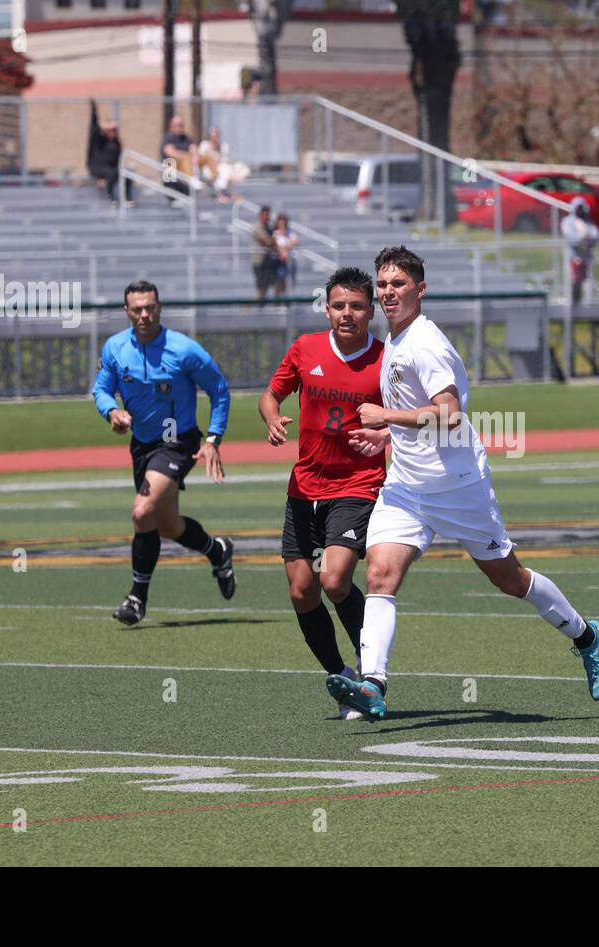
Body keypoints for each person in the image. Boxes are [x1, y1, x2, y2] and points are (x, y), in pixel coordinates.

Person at [325, 245, 599, 721]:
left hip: (458, 486)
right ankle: (373, 683)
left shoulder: (426, 343)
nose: (389, 291)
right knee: (379, 574)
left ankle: (586, 636)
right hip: (407, 487)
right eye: (383, 284)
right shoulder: (395, 340)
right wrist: (386, 437)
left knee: (509, 579)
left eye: (399, 284)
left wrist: (385, 415)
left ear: (420, 289)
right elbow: (418, 416)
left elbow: (449, 414)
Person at [261, 266, 388, 719]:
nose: (347, 314)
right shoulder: (305, 348)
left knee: (334, 580)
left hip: (357, 486)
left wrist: (386, 436)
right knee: (302, 592)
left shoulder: (386, 358)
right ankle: (344, 680)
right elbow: (270, 395)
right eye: (338, 306)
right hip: (304, 488)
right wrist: (272, 417)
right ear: (327, 308)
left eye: (356, 306)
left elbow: (412, 420)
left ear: (370, 311)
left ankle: (372, 672)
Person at [93, 280, 237, 625]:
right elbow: (101, 388)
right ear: (127, 311)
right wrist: (112, 412)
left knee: (142, 512)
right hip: (142, 445)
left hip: (178, 442)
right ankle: (218, 550)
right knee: (168, 526)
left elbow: (219, 390)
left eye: (150, 307)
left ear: (159, 308)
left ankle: (136, 599)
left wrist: (214, 438)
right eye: (137, 309)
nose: (144, 314)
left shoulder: (185, 350)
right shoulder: (114, 348)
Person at [88, 101, 132, 206]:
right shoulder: (99, 140)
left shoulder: (116, 142)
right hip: (97, 167)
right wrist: (94, 110)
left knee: (128, 174)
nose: (113, 132)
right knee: (110, 173)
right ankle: (110, 197)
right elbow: (94, 128)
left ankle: (127, 198)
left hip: (111, 168)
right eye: (111, 130)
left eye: (115, 130)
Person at [560, 197, 599, 304]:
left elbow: (595, 235)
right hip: (574, 258)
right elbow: (571, 237)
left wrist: (587, 239)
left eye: (581, 208)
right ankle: (573, 304)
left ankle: (589, 303)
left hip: (587, 258)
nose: (580, 211)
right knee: (574, 282)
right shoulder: (568, 222)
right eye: (578, 208)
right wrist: (583, 239)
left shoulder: (588, 222)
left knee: (588, 281)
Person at [197, 127, 238, 203]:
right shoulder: (204, 145)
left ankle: (224, 192)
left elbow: (225, 160)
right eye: (213, 136)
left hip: (220, 167)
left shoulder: (223, 146)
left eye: (216, 136)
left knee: (227, 170)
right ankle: (221, 194)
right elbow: (201, 159)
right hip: (207, 168)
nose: (215, 138)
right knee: (218, 173)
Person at [161, 115, 197, 199]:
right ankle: (192, 179)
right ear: (171, 126)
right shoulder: (169, 137)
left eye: (181, 125)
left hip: (185, 168)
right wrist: (184, 155)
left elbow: (193, 147)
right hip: (171, 168)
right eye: (177, 125)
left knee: (205, 156)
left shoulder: (186, 138)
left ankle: (217, 181)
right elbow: (169, 152)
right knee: (174, 161)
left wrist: (194, 155)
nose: (179, 127)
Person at [252, 207, 278, 300]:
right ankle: (245, 310)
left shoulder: (268, 228)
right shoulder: (257, 227)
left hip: (267, 262)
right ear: (260, 216)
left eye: (268, 216)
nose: (266, 218)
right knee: (261, 290)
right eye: (264, 216)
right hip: (260, 263)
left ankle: (258, 310)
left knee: (265, 290)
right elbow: (268, 242)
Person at [273, 212, 300, 296]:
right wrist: (282, 250)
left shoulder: (290, 233)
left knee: (290, 281)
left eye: (284, 223)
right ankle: (279, 300)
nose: (282, 224)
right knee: (280, 281)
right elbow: (275, 244)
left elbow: (295, 241)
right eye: (280, 223)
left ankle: (287, 300)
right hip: (279, 261)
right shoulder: (275, 233)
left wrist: (286, 248)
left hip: (289, 260)